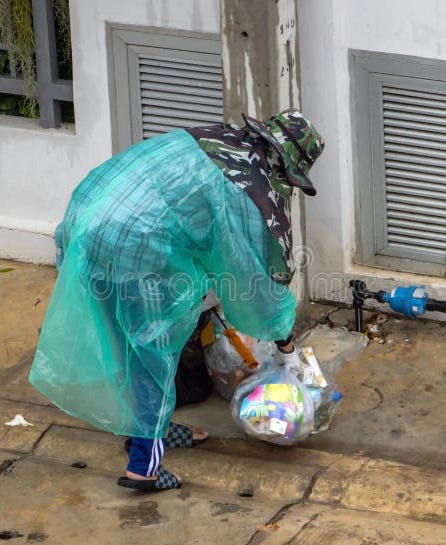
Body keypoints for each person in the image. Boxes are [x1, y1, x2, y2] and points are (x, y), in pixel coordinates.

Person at [29, 109, 324, 491]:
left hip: (88, 218)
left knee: (129, 340)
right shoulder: (246, 185)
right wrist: (285, 345)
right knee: (154, 350)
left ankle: (152, 427)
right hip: (135, 243)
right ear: (285, 166)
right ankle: (144, 466)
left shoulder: (219, 141)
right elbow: (254, 281)